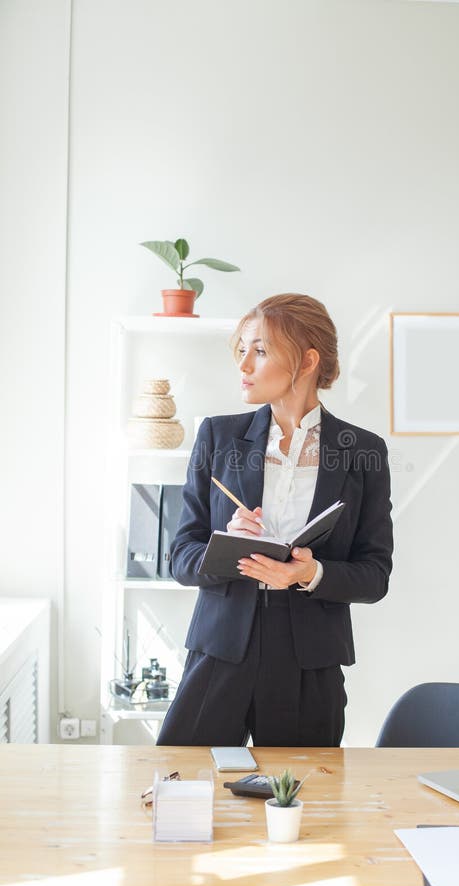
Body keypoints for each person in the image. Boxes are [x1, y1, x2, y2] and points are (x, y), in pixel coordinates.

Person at [156, 293, 393, 747]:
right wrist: (223, 544)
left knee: (300, 798)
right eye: (241, 350)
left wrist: (311, 572)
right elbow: (181, 557)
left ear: (306, 361)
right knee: (181, 783)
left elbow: (375, 575)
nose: (244, 365)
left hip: (310, 658)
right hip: (221, 646)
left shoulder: (362, 451)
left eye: (260, 351)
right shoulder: (217, 436)